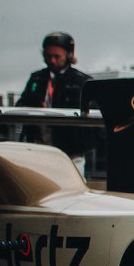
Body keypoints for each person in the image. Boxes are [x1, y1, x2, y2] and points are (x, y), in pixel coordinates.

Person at [17, 31, 95, 170]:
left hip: (71, 153)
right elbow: (21, 105)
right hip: (39, 149)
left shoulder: (82, 81)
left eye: (56, 56)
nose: (52, 60)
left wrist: (84, 144)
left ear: (69, 55)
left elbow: (92, 116)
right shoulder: (37, 78)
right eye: (48, 56)